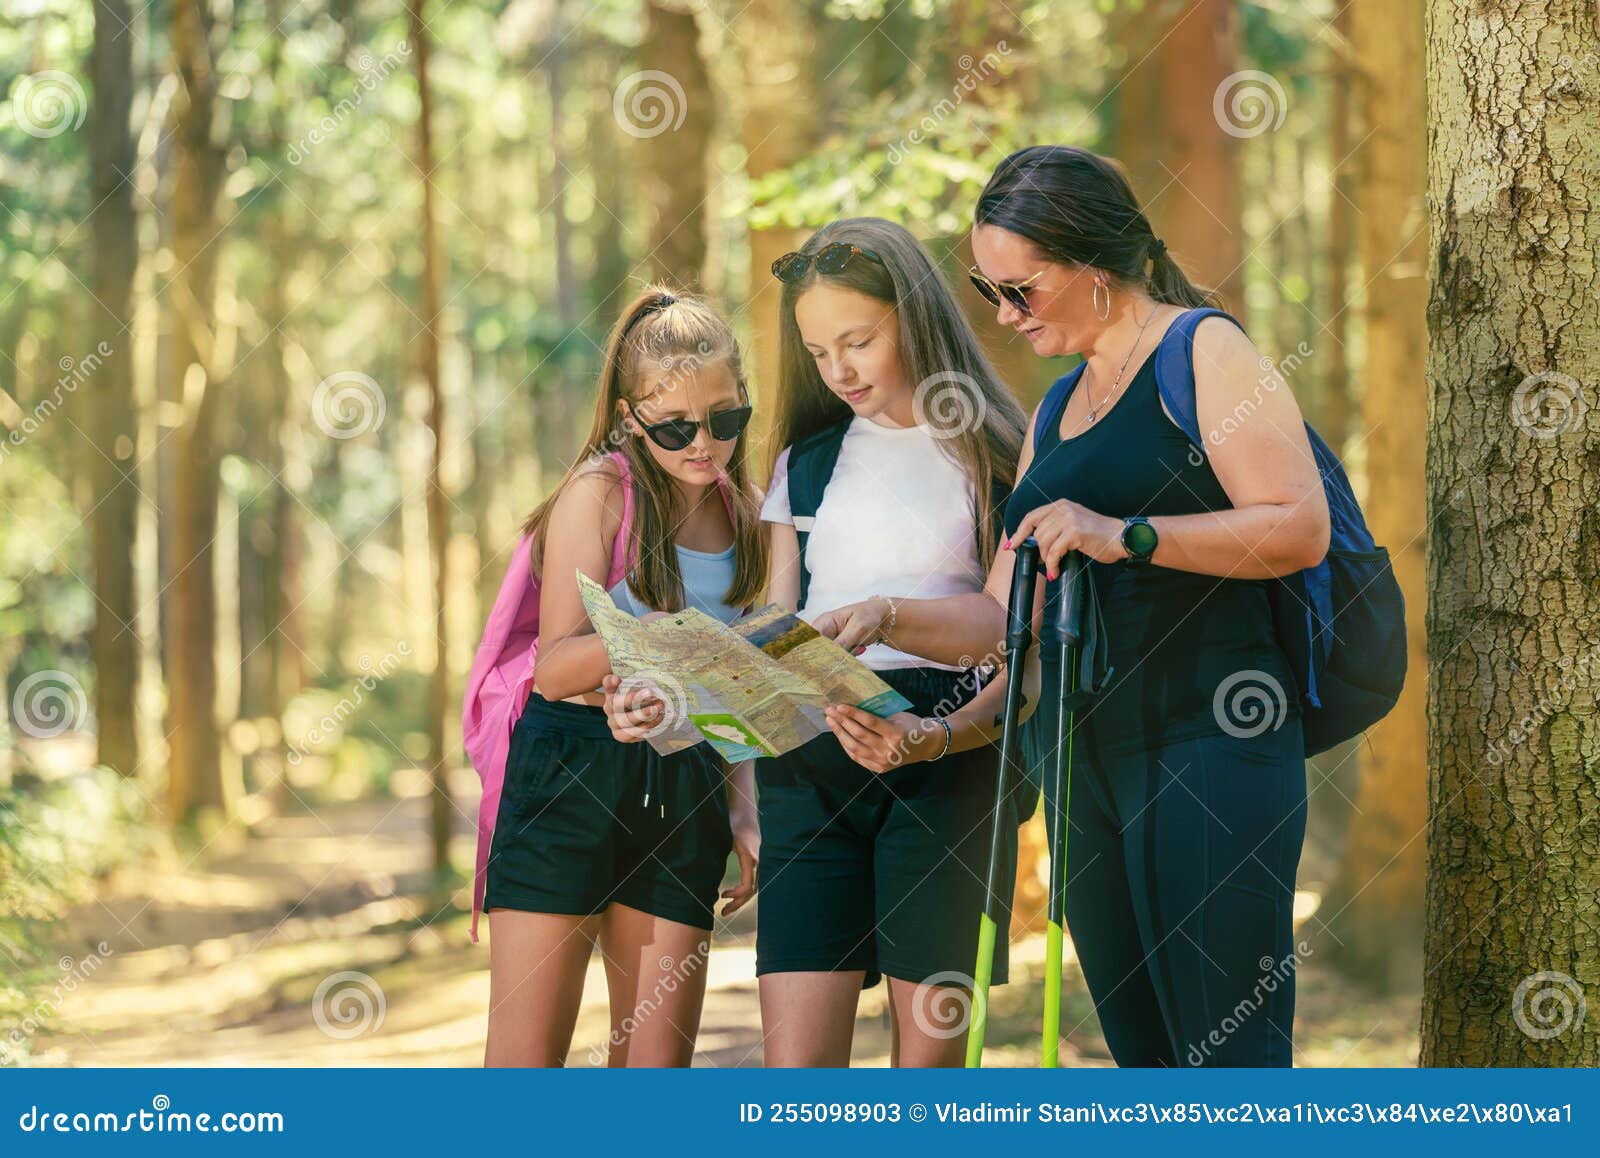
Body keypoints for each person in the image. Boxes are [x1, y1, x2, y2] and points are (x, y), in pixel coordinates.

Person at [821, 146, 1330, 1067]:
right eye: (990, 290)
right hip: (1084, 768)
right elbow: (1001, 618)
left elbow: (1298, 526)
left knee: (1227, 1060)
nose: (1005, 314)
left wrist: (1125, 534)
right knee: (1142, 1058)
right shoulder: (1055, 409)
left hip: (1212, 743)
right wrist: (883, 618)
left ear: (1094, 262)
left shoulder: (1201, 347)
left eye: (1024, 288)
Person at [616, 217, 1035, 1067]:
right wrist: (674, 701)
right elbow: (774, 632)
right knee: (799, 1082)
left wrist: (930, 721)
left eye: (859, 341)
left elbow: (1015, 646)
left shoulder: (1001, 453)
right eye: (816, 352)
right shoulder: (806, 460)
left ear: (914, 318)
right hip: (808, 762)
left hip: (946, 762)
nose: (838, 371)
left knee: (928, 1085)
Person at [483, 286, 764, 1067]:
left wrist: (744, 811)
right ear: (630, 416)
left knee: (651, 1083)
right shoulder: (601, 492)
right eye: (676, 426)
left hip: (687, 783)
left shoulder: (746, 509)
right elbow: (556, 667)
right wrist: (655, 637)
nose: (703, 443)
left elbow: (739, 683)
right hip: (571, 773)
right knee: (522, 1074)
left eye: (726, 419)